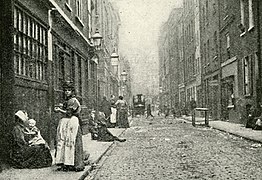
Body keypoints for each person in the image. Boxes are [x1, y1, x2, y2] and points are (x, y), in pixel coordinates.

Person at [54, 81, 84, 172]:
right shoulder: (68, 100)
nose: (67, 92)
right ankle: (64, 163)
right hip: (66, 122)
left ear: (72, 91)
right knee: (63, 142)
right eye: (65, 90)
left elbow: (69, 113)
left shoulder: (74, 101)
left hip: (72, 122)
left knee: (70, 142)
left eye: (69, 90)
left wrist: (59, 110)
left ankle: (71, 163)